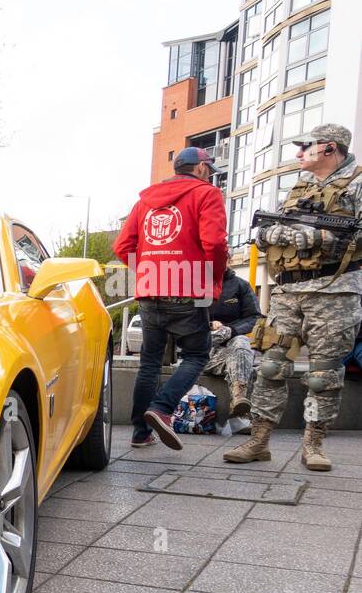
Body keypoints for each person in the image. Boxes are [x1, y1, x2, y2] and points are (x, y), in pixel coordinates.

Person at [226, 124, 362, 471]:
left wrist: (320, 239)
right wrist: (269, 234)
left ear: (329, 148)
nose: (299, 153)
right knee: (271, 366)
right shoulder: (298, 189)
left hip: (335, 291)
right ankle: (258, 441)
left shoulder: (358, 185)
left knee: (324, 374)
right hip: (288, 291)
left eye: (306, 147)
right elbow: (271, 229)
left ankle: (313, 445)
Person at [114, 145, 228, 450]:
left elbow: (123, 246)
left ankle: (140, 433)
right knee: (196, 356)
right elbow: (215, 243)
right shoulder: (207, 194)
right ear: (202, 169)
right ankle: (163, 409)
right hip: (188, 289)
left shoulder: (145, 201)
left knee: (149, 363)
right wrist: (211, 279)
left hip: (151, 291)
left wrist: (149, 273)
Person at [204, 267, 260, 417]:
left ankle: (238, 399)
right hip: (202, 351)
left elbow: (254, 317)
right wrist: (209, 325)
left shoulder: (241, 285)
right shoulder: (195, 284)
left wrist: (230, 330)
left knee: (241, 343)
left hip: (233, 347)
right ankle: (242, 418)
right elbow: (186, 318)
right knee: (246, 364)